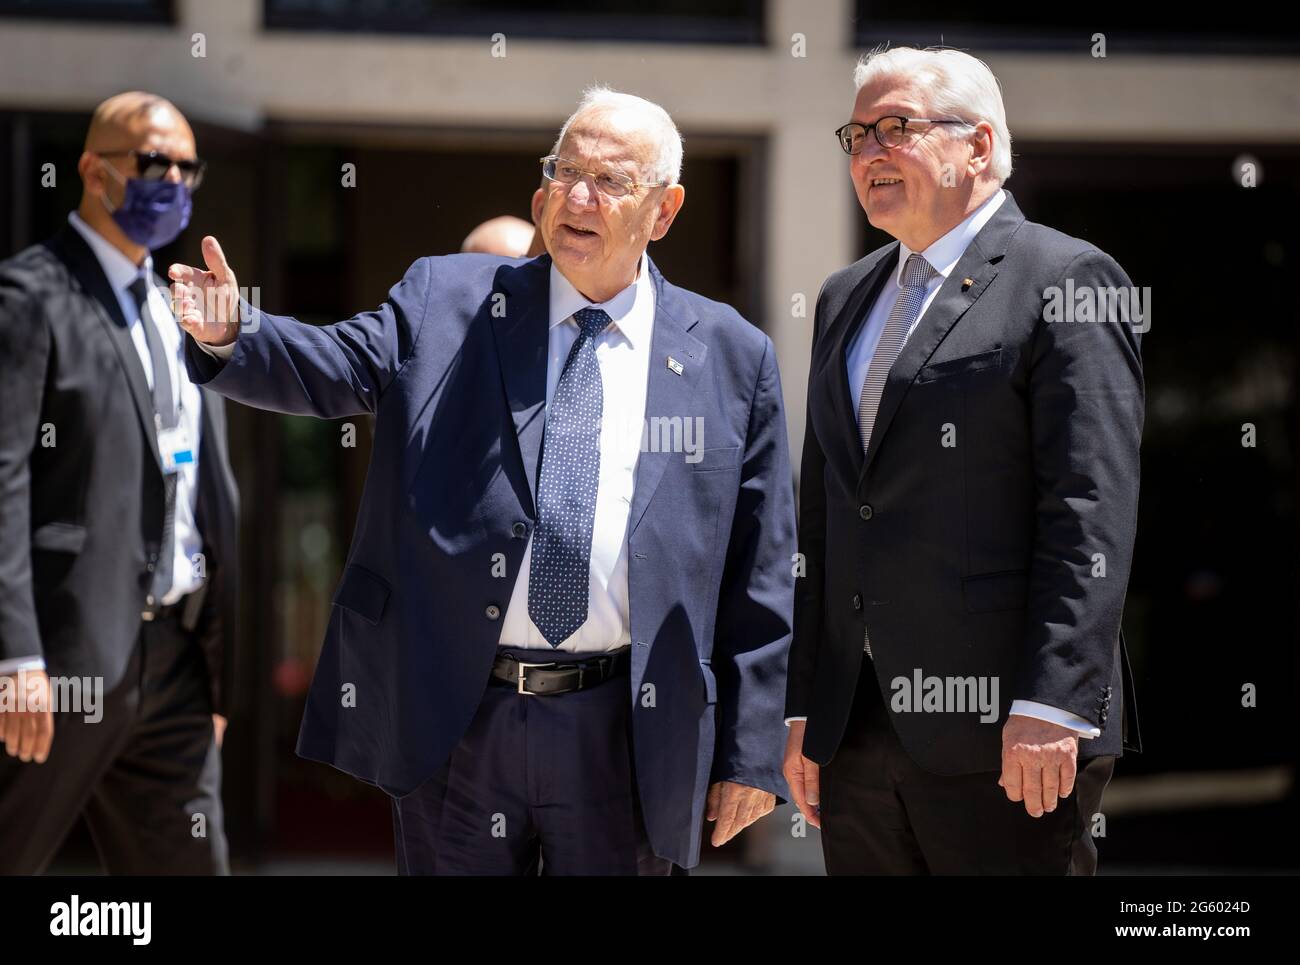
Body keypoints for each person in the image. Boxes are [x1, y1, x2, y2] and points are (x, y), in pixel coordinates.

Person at [173, 86, 795, 875]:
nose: (576, 196)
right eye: (564, 171)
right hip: (464, 713)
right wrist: (235, 331)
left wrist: (750, 750)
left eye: (608, 181)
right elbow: (335, 366)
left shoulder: (732, 355)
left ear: (663, 210)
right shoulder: (452, 298)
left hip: (624, 726)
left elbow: (762, 570)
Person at [784, 46, 1143, 875]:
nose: (869, 152)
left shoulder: (1068, 278)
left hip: (1008, 731)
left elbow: (1090, 508)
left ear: (978, 146)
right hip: (859, 729)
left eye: (895, 127)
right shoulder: (847, 295)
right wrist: (807, 703)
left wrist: (1055, 698)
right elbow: (828, 515)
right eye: (857, 134)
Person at [0, 91, 240, 874]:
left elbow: (205, 489)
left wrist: (215, 670)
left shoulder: (182, 309)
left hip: (171, 659)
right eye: (150, 161)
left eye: (185, 166)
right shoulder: (31, 295)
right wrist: (16, 658)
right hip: (63, 659)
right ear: (92, 171)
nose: (170, 178)